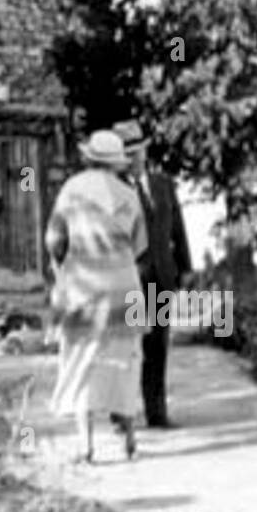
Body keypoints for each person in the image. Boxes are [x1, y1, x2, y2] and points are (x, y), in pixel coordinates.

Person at [45, 129, 147, 462]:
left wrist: (61, 268)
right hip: (125, 288)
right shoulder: (130, 195)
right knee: (126, 362)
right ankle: (129, 438)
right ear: (117, 162)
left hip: (83, 287)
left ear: (88, 157)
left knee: (81, 361)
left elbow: (54, 239)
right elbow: (140, 245)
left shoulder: (71, 190)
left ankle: (87, 445)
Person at [113, 119, 193, 427]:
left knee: (158, 347)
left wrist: (185, 267)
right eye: (127, 154)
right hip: (130, 282)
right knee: (130, 348)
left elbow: (178, 229)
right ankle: (122, 415)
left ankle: (157, 413)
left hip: (162, 278)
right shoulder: (115, 192)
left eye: (137, 152)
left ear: (145, 152)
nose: (133, 160)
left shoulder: (163, 184)